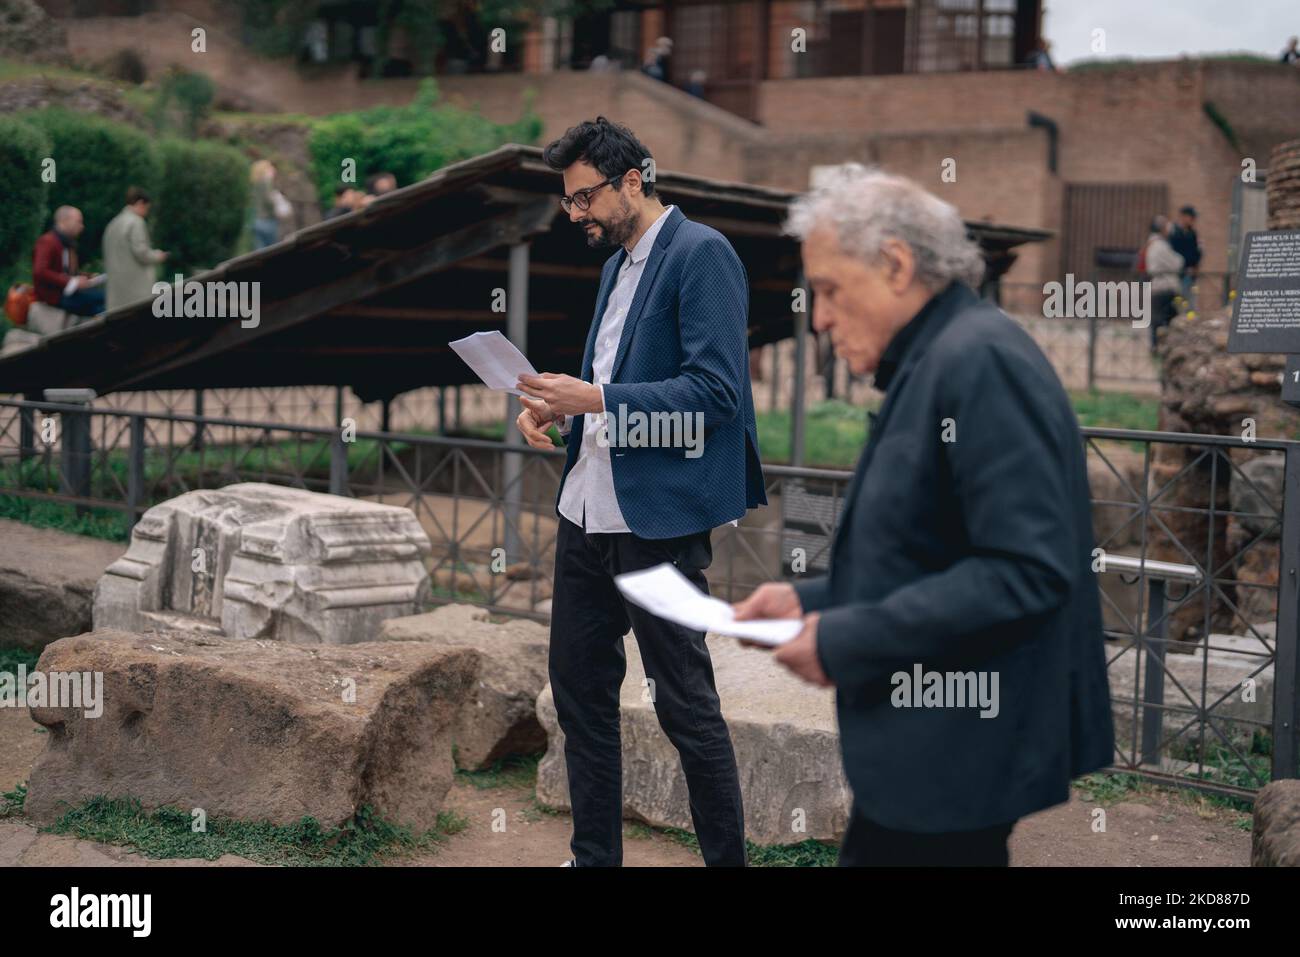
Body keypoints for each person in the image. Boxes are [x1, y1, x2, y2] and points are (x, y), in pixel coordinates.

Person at [733, 165, 1114, 867]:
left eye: (828, 289)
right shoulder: (941, 356)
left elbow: (1025, 570)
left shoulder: (978, 361)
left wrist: (849, 636)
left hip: (956, 754)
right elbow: (929, 553)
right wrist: (808, 599)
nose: (816, 317)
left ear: (896, 264)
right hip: (934, 756)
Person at [514, 117, 766, 867]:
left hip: (657, 520)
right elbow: (617, 383)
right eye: (567, 202)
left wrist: (593, 399)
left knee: (685, 705)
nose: (575, 214)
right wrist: (558, 411)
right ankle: (596, 859)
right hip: (585, 509)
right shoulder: (615, 267)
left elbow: (714, 393)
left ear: (633, 180)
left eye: (584, 197)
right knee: (580, 695)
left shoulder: (703, 253)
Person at [102, 186, 168, 312]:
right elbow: (141, 252)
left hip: (116, 292)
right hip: (135, 290)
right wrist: (157, 256)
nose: (146, 213)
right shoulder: (136, 222)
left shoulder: (113, 224)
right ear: (140, 203)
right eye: (146, 208)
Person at [31, 206, 104, 318]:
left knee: (101, 305)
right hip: (55, 296)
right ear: (64, 221)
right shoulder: (47, 241)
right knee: (105, 299)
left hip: (67, 294)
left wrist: (88, 277)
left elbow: (67, 272)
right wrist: (72, 282)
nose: (82, 227)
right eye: (78, 222)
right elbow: (39, 271)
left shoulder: (67, 244)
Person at [1144, 214, 1184, 348]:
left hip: (1159, 287)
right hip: (1164, 287)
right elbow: (1177, 263)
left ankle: (1160, 347)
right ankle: (1160, 347)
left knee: (1162, 319)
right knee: (1165, 320)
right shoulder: (1159, 245)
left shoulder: (1155, 244)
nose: (1169, 228)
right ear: (1161, 228)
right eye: (1167, 225)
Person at [250, 159, 290, 249]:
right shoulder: (266, 183)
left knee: (260, 251)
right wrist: (279, 206)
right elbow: (268, 200)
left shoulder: (255, 184)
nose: (273, 169)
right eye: (270, 167)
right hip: (268, 221)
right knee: (272, 250)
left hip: (257, 221)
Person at [1168, 205, 1201, 309]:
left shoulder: (1192, 233)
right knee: (1177, 301)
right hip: (1178, 272)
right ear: (1183, 217)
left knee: (1190, 301)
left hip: (1190, 273)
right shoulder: (1174, 233)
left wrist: (1195, 266)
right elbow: (1174, 253)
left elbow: (1195, 252)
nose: (1193, 220)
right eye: (1191, 217)